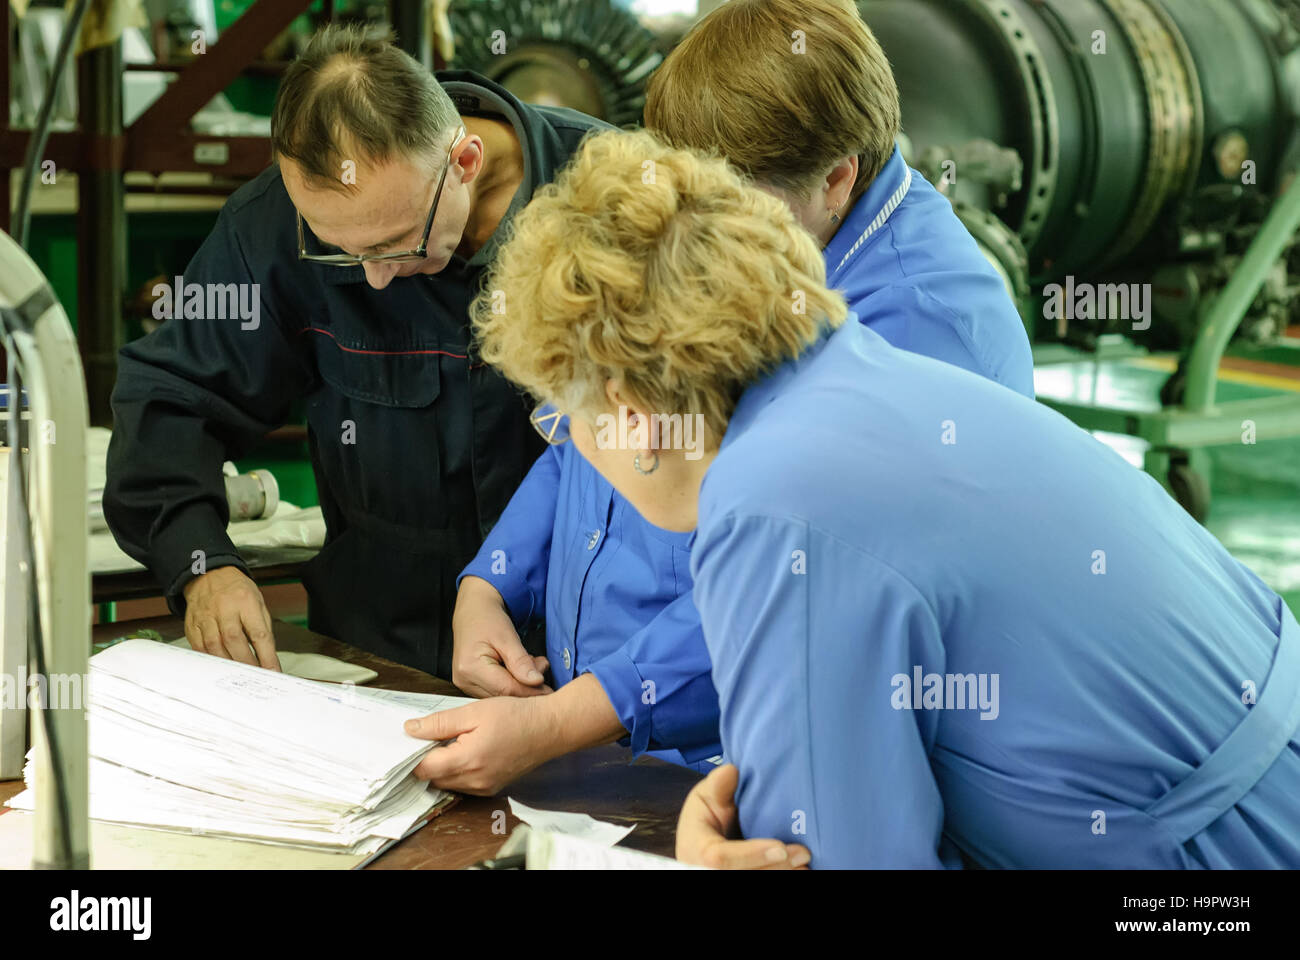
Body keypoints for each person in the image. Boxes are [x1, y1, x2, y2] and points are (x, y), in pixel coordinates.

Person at [451, 125, 1300, 868]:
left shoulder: (772, 505)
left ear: (633, 418)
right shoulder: (857, 373)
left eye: (564, 418)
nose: (570, 444)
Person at [421, 0, 1033, 792]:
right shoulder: (745, 238)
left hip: (738, 766)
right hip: (606, 739)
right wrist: (491, 581)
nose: (692, 221)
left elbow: (798, 583)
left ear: (836, 177)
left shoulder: (921, 327)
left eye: (725, 195)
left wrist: (565, 720)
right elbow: (593, 418)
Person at [104, 24, 610, 678]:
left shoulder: (614, 199)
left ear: (466, 162)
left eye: (394, 243)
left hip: (596, 665)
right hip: (380, 662)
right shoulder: (272, 224)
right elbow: (171, 398)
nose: (371, 277)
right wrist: (203, 565)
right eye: (339, 250)